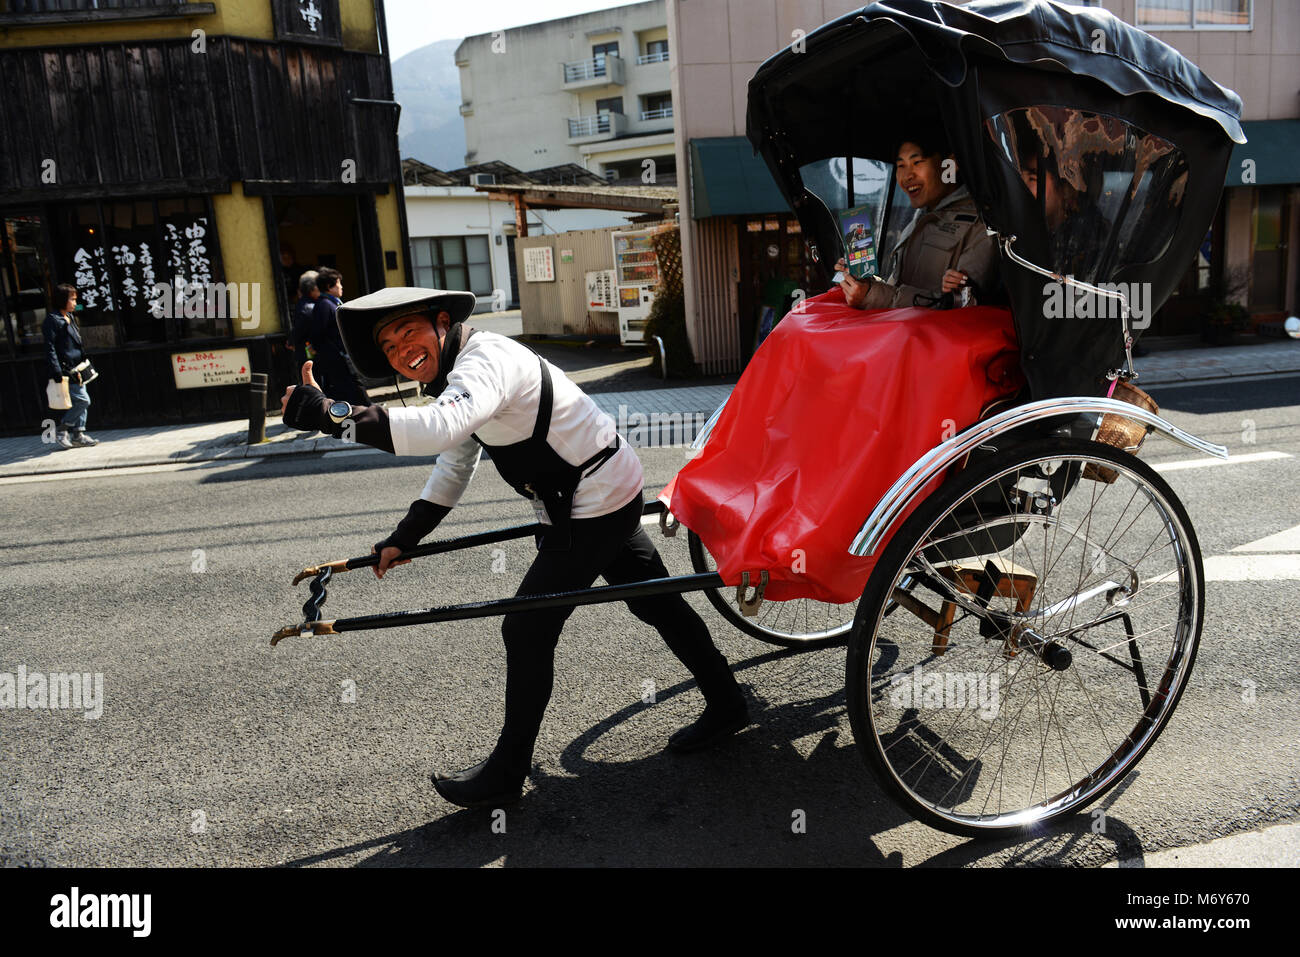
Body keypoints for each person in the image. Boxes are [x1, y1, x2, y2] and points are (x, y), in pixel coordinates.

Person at [279, 287, 748, 808]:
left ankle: (506, 773)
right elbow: (455, 460)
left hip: (594, 499)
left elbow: (439, 429)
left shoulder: (487, 360)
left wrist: (333, 414)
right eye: (388, 347)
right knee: (654, 599)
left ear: (441, 322)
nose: (400, 351)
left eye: (407, 332)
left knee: (526, 628)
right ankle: (728, 703)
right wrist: (405, 537)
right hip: (588, 492)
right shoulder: (458, 376)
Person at [836, 135, 996, 311]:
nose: (907, 175)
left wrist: (872, 295)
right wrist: (861, 283)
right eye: (901, 166)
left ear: (950, 165)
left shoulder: (982, 223)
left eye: (917, 162)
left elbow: (962, 306)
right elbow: (895, 289)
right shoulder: (918, 221)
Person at [42, 284, 98, 450]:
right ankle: (62, 430)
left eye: (75, 299)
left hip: (78, 367)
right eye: (72, 299)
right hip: (66, 369)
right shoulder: (52, 320)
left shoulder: (69, 316)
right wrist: (56, 370)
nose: (75, 302)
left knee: (81, 399)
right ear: (62, 300)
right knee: (83, 401)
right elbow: (49, 347)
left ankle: (78, 435)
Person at [306, 268, 371, 406]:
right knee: (346, 386)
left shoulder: (333, 302)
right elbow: (318, 333)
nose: (341, 287)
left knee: (353, 384)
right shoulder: (324, 305)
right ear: (329, 287)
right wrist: (329, 352)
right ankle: (364, 409)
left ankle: (366, 408)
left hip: (341, 354)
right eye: (338, 284)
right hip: (335, 356)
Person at [289, 270, 321, 379]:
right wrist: (292, 340)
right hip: (308, 350)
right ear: (312, 289)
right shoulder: (309, 306)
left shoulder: (304, 304)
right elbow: (300, 328)